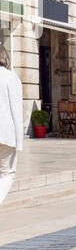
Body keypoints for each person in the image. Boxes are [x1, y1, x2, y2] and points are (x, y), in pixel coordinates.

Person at [0, 45, 24, 206]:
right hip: (5, 133)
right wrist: (19, 141)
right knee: (7, 172)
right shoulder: (10, 77)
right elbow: (16, 110)